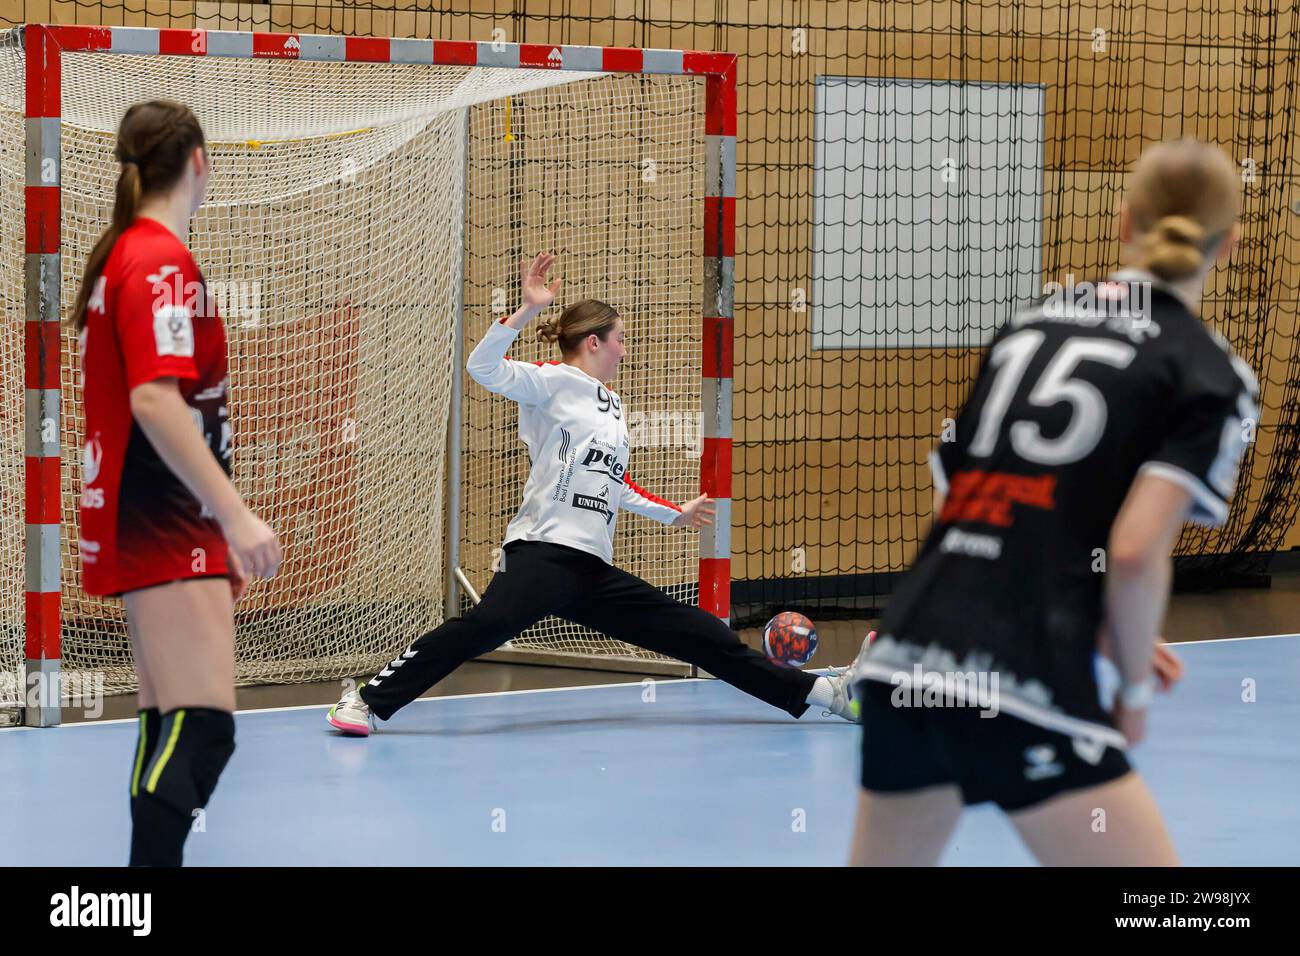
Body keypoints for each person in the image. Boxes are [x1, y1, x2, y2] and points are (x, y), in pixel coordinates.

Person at [848, 139, 1258, 865]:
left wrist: (1092, 614)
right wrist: (1130, 689)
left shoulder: (1032, 324)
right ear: (1228, 244)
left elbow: (964, 493)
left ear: (1125, 221)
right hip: (1023, 678)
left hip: (905, 659)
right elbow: (1134, 552)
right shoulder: (1206, 370)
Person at [327, 253, 856, 734]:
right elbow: (481, 368)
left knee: (696, 632)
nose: (626, 350)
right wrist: (528, 310)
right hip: (541, 553)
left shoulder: (614, 408)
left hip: (591, 570)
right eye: (620, 339)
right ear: (594, 342)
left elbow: (611, 483)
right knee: (480, 630)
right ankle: (366, 701)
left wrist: (674, 514)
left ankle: (821, 692)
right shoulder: (551, 381)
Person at [74, 100, 282, 866]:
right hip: (164, 515)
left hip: (146, 512)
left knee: (167, 724)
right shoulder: (157, 259)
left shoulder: (126, 254)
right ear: (199, 162)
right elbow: (155, 397)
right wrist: (234, 517)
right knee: (202, 729)